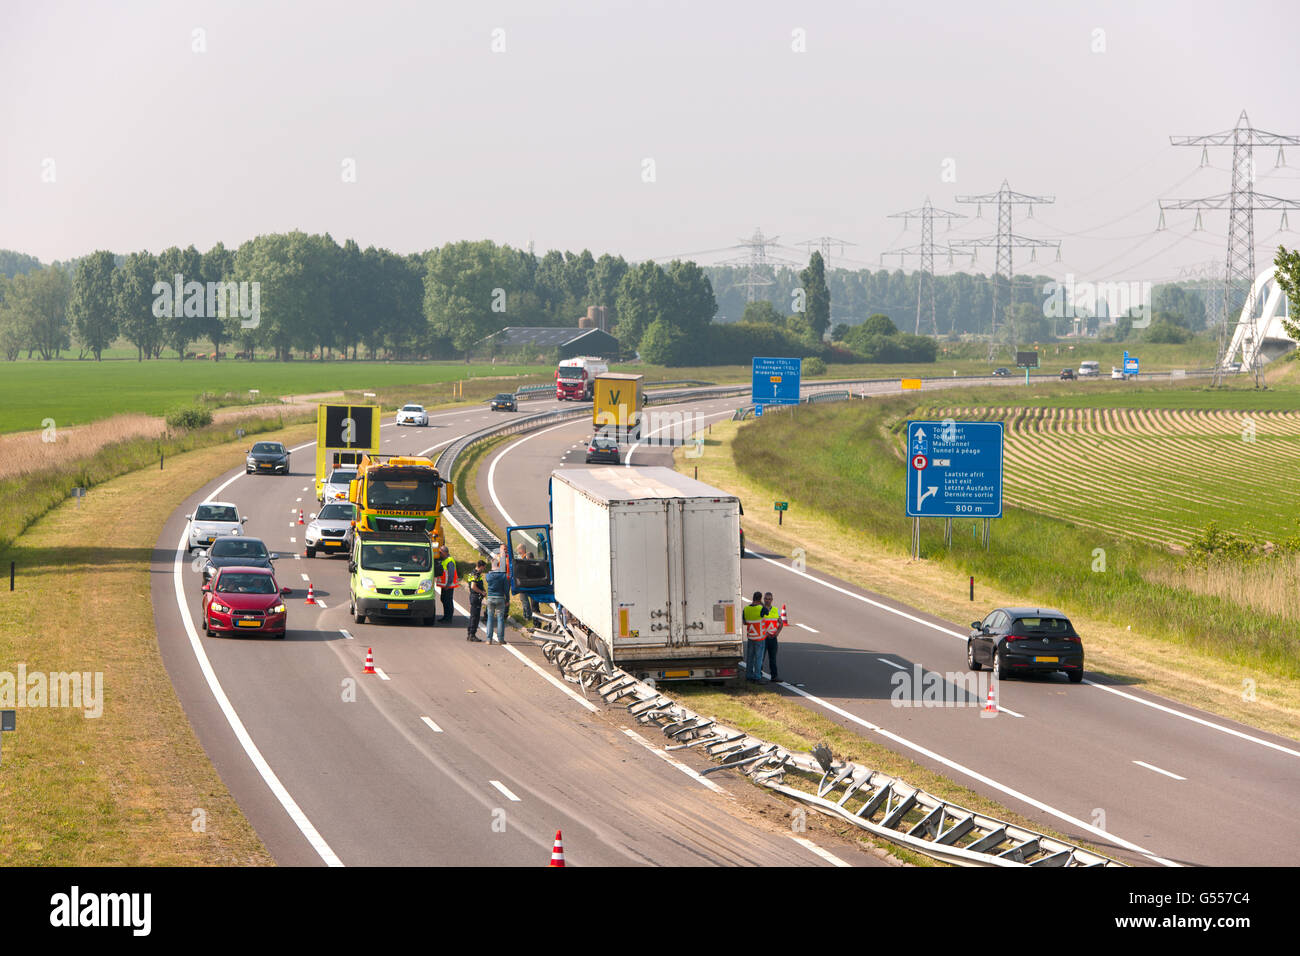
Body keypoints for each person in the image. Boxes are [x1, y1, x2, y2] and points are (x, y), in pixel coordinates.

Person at [483, 558, 510, 644]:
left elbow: (488, 580)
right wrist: (507, 600)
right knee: (500, 619)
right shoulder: (503, 576)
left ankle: (488, 639)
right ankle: (500, 639)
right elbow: (506, 589)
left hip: (490, 598)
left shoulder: (488, 575)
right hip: (500, 598)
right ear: (498, 565)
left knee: (490, 618)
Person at [760, 591, 784, 682]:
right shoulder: (761, 610)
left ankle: (774, 676)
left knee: (773, 658)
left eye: (769, 599)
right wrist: (765, 633)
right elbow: (759, 623)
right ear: (764, 599)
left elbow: (781, 623)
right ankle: (759, 675)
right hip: (764, 637)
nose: (767, 600)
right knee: (761, 658)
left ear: (772, 600)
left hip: (773, 637)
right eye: (766, 599)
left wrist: (777, 632)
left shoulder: (775, 610)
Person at [742, 591, 766, 683]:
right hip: (759, 637)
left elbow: (744, 622)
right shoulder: (761, 608)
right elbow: (766, 612)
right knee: (758, 658)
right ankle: (757, 677)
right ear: (760, 599)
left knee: (750, 657)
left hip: (751, 637)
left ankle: (748, 675)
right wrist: (761, 604)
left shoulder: (746, 609)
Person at [465, 560, 487, 641]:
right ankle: (472, 634)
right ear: (480, 566)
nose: (483, 570)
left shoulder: (471, 573)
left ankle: (470, 633)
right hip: (476, 597)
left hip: (473, 596)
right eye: (483, 568)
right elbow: (473, 586)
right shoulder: (476, 574)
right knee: (475, 617)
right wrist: (482, 592)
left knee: (473, 616)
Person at [515, 542, 536, 622]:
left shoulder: (524, 559)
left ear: (522, 550)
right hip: (527, 582)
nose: (517, 552)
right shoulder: (525, 558)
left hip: (524, 583)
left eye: (518, 550)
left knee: (524, 599)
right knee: (524, 599)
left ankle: (527, 615)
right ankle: (527, 614)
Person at [437, 545, 458, 623]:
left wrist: (448, 585)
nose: (440, 554)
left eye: (440, 552)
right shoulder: (444, 560)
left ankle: (448, 618)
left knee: (448, 601)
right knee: (444, 599)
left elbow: (451, 574)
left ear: (445, 552)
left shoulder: (449, 561)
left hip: (448, 586)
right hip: (445, 585)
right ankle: (446, 617)